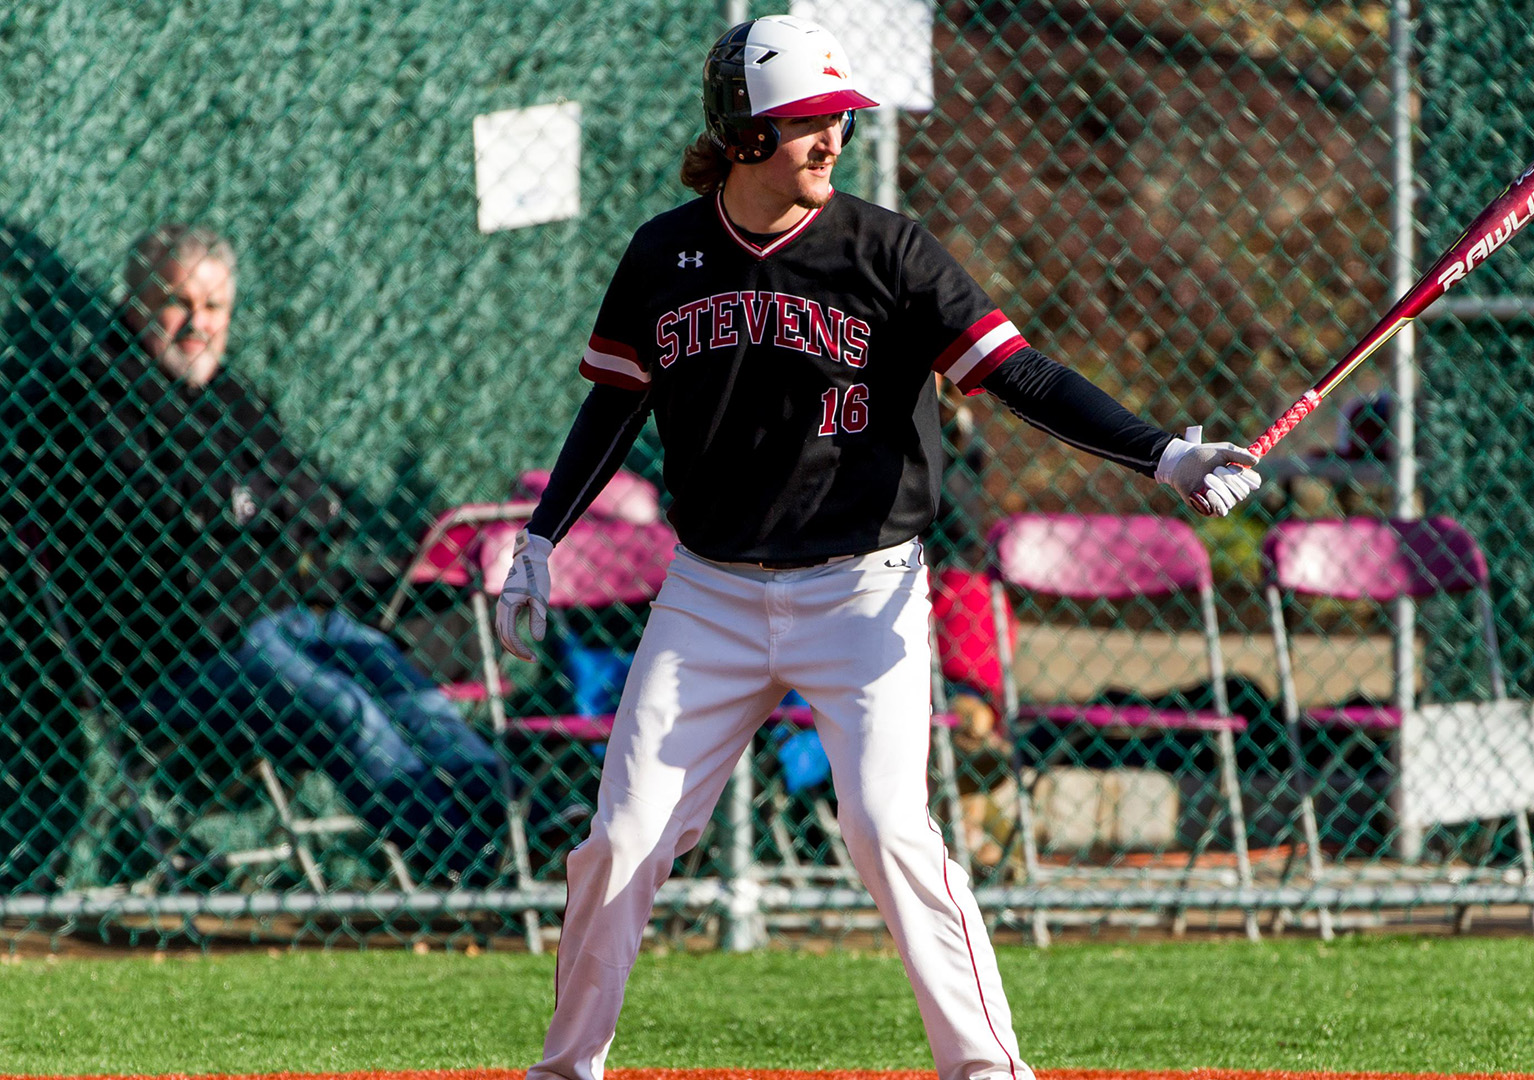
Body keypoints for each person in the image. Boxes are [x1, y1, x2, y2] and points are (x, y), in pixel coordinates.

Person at [496, 16, 1261, 1080]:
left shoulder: (887, 251)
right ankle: (566, 1070)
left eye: (841, 121)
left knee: (887, 828)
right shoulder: (662, 254)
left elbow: (1017, 373)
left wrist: (1161, 454)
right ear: (745, 131)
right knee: (619, 843)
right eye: (810, 121)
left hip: (864, 596)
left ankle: (989, 1070)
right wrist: (541, 540)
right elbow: (616, 406)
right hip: (708, 595)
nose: (834, 139)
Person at [15, 225, 502, 885]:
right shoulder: (97, 399)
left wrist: (243, 507)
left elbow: (315, 502)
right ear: (136, 306)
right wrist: (258, 509)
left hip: (285, 619)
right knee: (344, 709)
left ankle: (516, 834)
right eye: (178, 303)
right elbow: (172, 519)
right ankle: (465, 870)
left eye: (214, 308)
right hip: (176, 660)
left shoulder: (228, 394)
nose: (198, 324)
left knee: (409, 688)